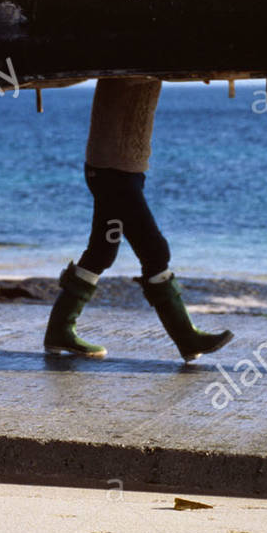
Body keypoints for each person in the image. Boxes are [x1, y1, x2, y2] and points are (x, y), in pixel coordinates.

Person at [43, 77, 234, 361]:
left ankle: (59, 330)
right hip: (114, 172)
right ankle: (187, 338)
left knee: (101, 252)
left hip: (118, 170)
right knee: (154, 250)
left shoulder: (144, 50)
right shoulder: (135, 46)